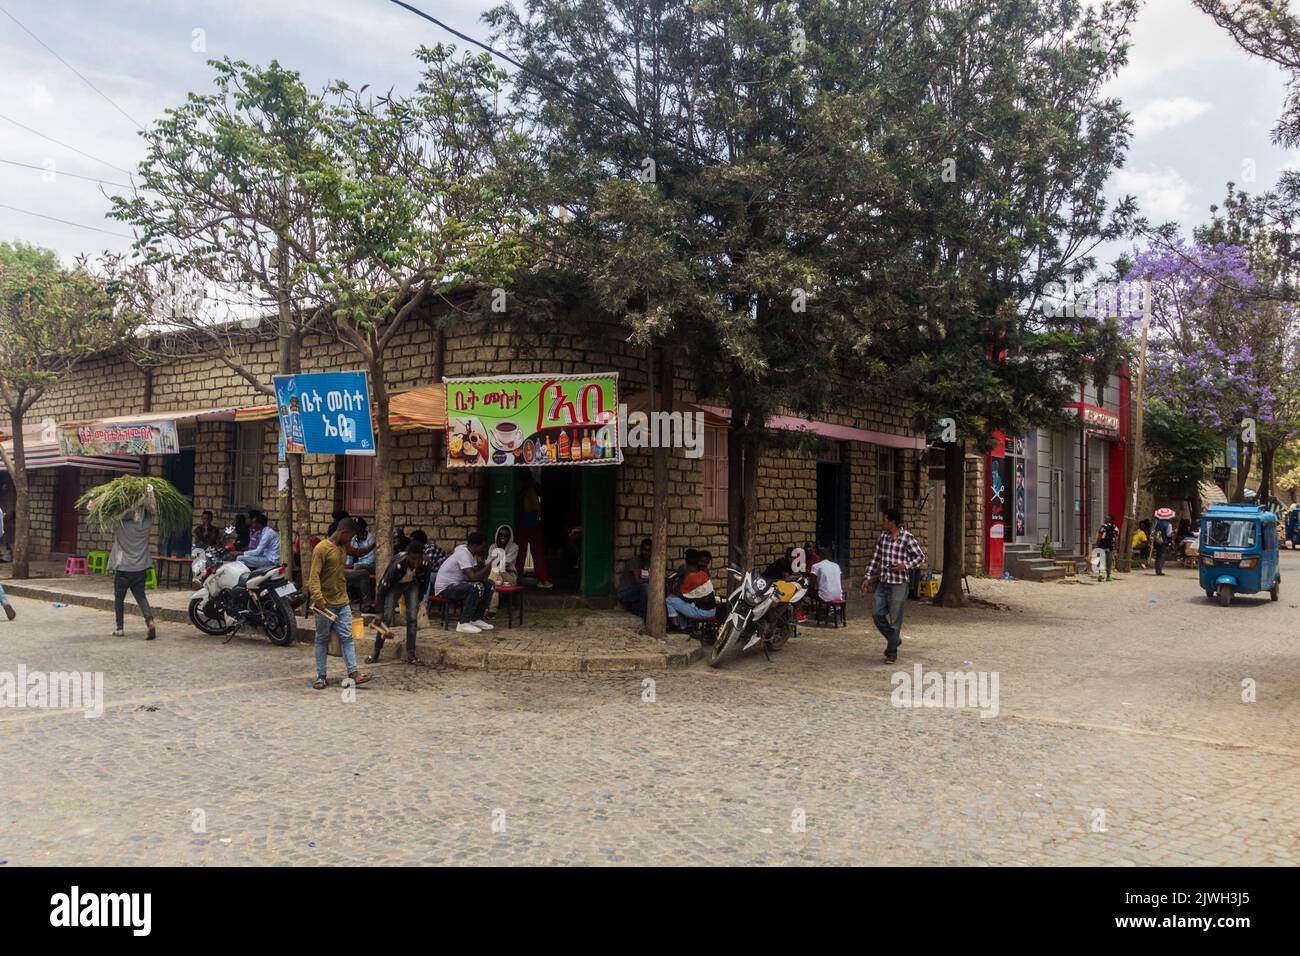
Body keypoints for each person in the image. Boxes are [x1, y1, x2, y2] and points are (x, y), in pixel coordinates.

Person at [307, 517, 371, 690]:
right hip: (324, 603)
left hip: (342, 601)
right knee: (321, 639)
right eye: (350, 537)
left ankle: (353, 673)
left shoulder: (343, 547)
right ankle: (321, 676)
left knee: (347, 638)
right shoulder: (321, 549)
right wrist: (319, 600)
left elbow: (359, 552)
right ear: (344, 533)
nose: (350, 541)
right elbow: (314, 576)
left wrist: (374, 546)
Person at [859, 508, 925, 664]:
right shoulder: (882, 537)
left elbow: (920, 557)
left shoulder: (907, 538)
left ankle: (892, 652)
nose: (883, 522)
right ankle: (894, 639)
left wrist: (905, 565)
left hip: (899, 584)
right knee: (876, 613)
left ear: (892, 522)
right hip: (883, 582)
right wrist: (867, 577)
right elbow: (875, 559)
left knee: (895, 619)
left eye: (884, 520)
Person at [367, 538, 429, 665]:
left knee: (412, 618)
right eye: (413, 559)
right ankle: (376, 651)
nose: (415, 562)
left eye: (418, 559)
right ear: (407, 556)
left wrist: (419, 600)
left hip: (412, 584)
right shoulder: (398, 565)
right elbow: (383, 588)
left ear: (422, 556)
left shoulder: (426, 563)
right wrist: (378, 611)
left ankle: (411, 654)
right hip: (394, 586)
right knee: (387, 617)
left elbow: (425, 583)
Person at [108, 505, 157, 641]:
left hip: (123, 569)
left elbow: (110, 518)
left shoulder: (120, 526)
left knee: (119, 599)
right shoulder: (144, 526)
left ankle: (120, 628)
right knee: (141, 596)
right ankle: (150, 621)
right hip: (140, 569)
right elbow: (149, 513)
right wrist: (142, 500)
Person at [434, 531, 496, 633]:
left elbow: (479, 577)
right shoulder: (463, 554)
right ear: (475, 546)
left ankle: (476, 619)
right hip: (446, 588)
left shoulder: (471, 555)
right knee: (477, 587)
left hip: (458, 585)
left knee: (490, 585)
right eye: (483, 547)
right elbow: (473, 577)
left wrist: (483, 567)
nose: (484, 549)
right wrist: (487, 567)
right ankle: (463, 623)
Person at [514, 473, 553, 588]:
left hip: (531, 523)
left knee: (534, 553)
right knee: (522, 553)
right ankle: (517, 578)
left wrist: (533, 485)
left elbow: (542, 493)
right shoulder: (521, 489)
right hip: (526, 523)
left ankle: (543, 579)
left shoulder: (532, 487)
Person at [666, 549, 716, 632]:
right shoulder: (692, 571)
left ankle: (677, 627)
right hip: (703, 606)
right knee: (682, 602)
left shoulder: (698, 574)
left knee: (670, 600)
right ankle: (683, 627)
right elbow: (671, 578)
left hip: (700, 608)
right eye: (701, 561)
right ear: (697, 561)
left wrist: (676, 594)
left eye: (706, 563)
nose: (703, 564)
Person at [344, 517, 377, 610]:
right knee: (347, 571)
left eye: (357, 527)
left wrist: (353, 565)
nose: (355, 529)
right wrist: (347, 564)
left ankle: (361, 600)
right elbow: (350, 554)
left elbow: (371, 559)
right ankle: (350, 599)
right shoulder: (354, 539)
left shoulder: (371, 538)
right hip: (359, 567)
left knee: (357, 568)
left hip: (371, 566)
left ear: (362, 528)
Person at [486, 524, 519, 616]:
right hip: (497, 576)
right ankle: (492, 611)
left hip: (509, 577)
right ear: (497, 535)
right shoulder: (493, 547)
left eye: (505, 535)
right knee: (495, 584)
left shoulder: (514, 547)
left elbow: (505, 563)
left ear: (509, 536)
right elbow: (488, 563)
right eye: (501, 535)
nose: (503, 537)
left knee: (493, 578)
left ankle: (486, 609)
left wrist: (493, 563)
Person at [618, 537, 653, 618]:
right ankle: (643, 617)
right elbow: (639, 582)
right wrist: (651, 581)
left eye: (649, 550)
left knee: (664, 586)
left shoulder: (651, 562)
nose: (646, 552)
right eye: (644, 549)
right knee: (644, 587)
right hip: (627, 594)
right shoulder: (634, 561)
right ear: (640, 549)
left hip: (641, 596)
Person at [1095, 514, 1119, 581]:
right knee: (1109, 561)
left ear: (1110, 519)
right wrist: (1116, 548)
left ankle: (1101, 574)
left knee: (1101, 559)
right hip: (1110, 546)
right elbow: (1116, 539)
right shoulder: (1115, 528)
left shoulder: (1103, 526)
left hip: (1102, 545)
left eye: (1106, 518)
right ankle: (1108, 576)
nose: (1104, 518)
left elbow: (1100, 535)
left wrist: (1096, 544)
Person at [1153, 507, 1175, 575]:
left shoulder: (1157, 522)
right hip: (1164, 542)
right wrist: (1173, 532)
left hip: (1157, 540)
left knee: (1157, 555)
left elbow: (1154, 530)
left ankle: (1157, 569)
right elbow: (1168, 535)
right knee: (1162, 555)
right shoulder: (1169, 524)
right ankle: (1159, 571)